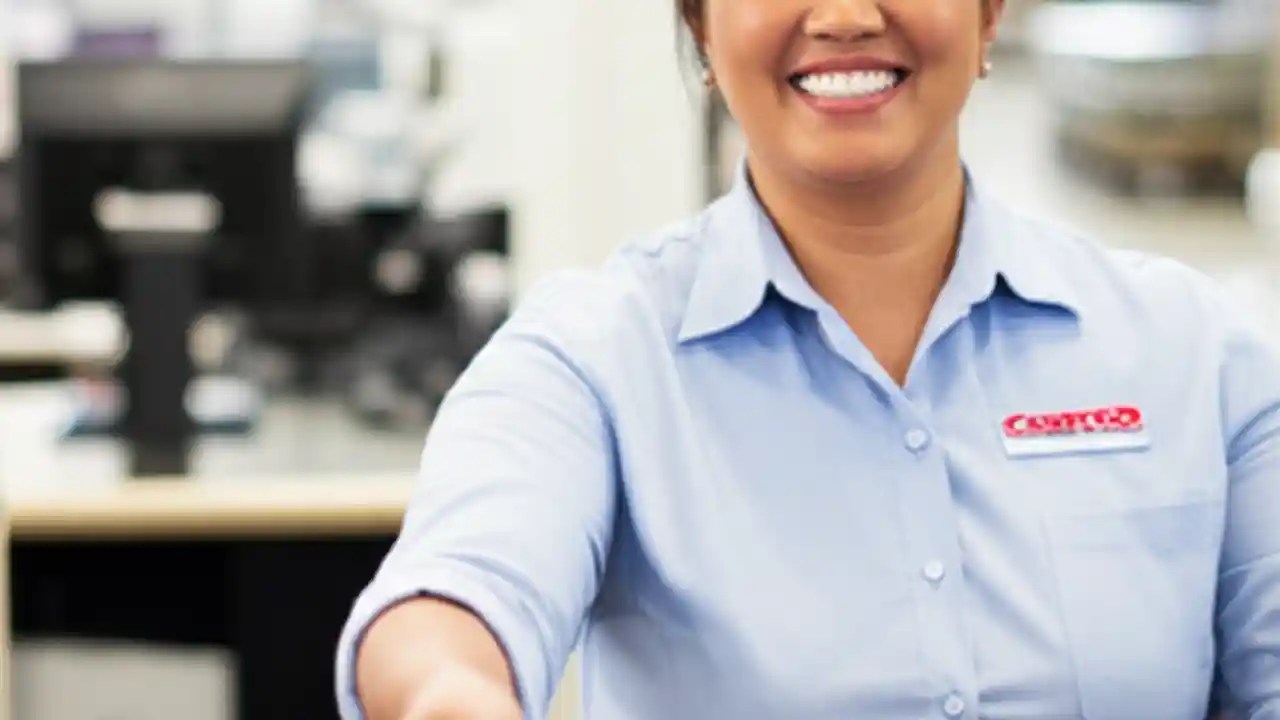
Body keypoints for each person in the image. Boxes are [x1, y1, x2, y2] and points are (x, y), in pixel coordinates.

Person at [338, 0, 1280, 717]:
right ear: (701, 28)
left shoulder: (1197, 355)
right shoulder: (594, 360)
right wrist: (450, 695)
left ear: (992, 11)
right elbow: (453, 601)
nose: (843, 16)